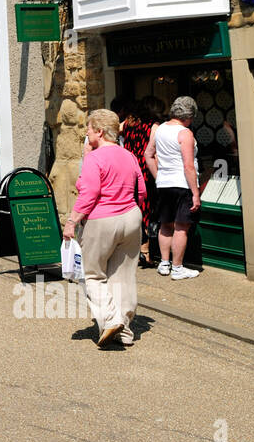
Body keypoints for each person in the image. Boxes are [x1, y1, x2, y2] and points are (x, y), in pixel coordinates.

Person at [63, 109, 146, 347]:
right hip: (131, 217)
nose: (86, 133)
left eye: (88, 129)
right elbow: (141, 192)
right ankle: (125, 331)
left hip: (102, 220)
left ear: (99, 132)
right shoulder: (128, 155)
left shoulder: (94, 158)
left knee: (93, 274)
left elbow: (89, 192)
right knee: (123, 277)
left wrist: (72, 222)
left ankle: (111, 320)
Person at [145, 95, 201, 280]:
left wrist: (159, 176)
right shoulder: (185, 133)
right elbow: (188, 166)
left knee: (165, 225)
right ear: (189, 116)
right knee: (181, 227)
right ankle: (177, 268)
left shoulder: (160, 129)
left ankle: (164, 263)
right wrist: (195, 193)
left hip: (164, 185)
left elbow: (148, 154)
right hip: (182, 184)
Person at [120, 96, 157, 267]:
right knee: (146, 213)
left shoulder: (127, 125)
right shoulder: (153, 127)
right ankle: (145, 252)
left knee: (133, 211)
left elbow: (115, 129)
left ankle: (133, 251)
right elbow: (154, 152)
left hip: (129, 171)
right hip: (146, 173)